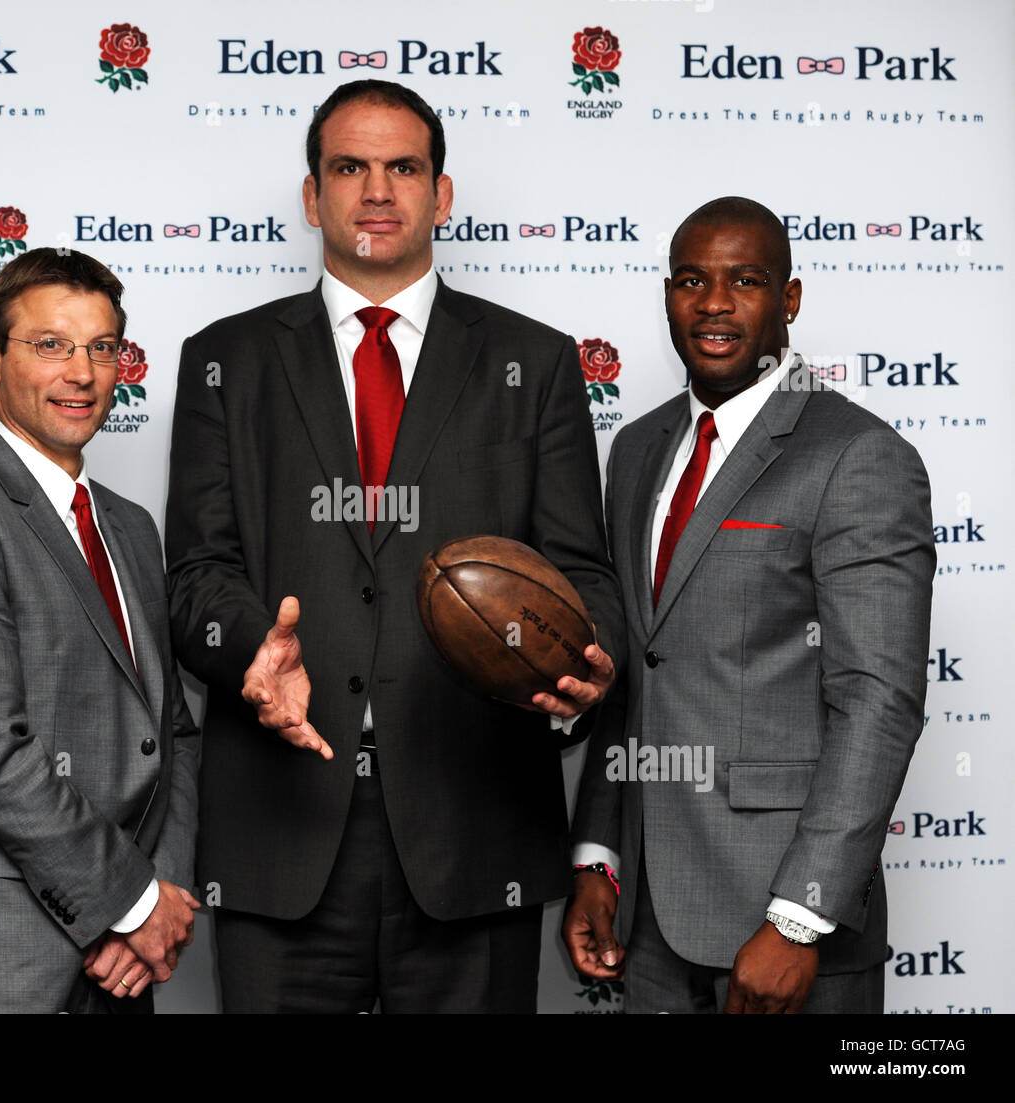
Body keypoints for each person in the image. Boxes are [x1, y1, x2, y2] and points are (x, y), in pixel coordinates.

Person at [165, 79, 623, 1012]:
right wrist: (255, 651)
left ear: (441, 195)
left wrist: (587, 659)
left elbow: (584, 576)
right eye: (349, 167)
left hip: (476, 826)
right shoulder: (225, 361)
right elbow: (196, 576)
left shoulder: (534, 364)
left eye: (403, 167)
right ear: (312, 196)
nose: (377, 190)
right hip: (279, 828)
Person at [563, 197, 934, 1013]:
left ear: (789, 300)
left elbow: (880, 700)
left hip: (784, 917)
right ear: (668, 295)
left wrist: (800, 917)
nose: (715, 302)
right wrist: (599, 860)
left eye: (747, 280)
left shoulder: (859, 455)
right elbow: (635, 673)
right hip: (651, 920)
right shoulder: (636, 449)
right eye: (692, 280)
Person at [0, 249, 199, 1013]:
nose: (81, 372)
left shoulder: (130, 526)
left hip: (119, 964)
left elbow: (173, 731)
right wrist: (133, 902)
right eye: (50, 344)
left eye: (101, 347)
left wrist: (162, 896)